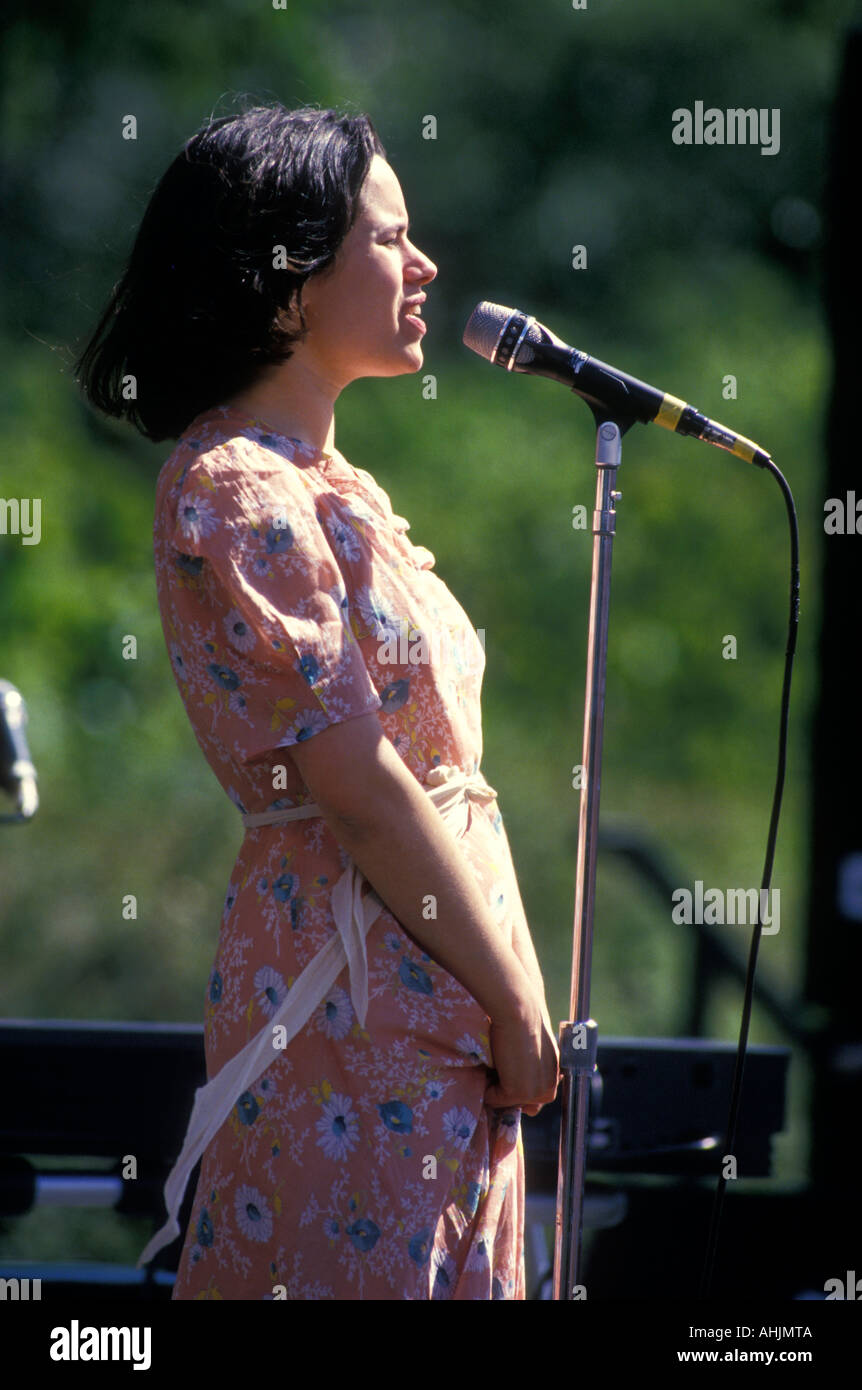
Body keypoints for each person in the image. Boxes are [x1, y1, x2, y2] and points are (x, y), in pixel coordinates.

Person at [76, 102, 559, 1300]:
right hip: (347, 1006)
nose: (426, 265)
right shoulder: (240, 489)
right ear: (290, 283)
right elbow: (353, 780)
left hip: (426, 998)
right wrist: (507, 991)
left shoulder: (330, 482)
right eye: (390, 239)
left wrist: (508, 987)